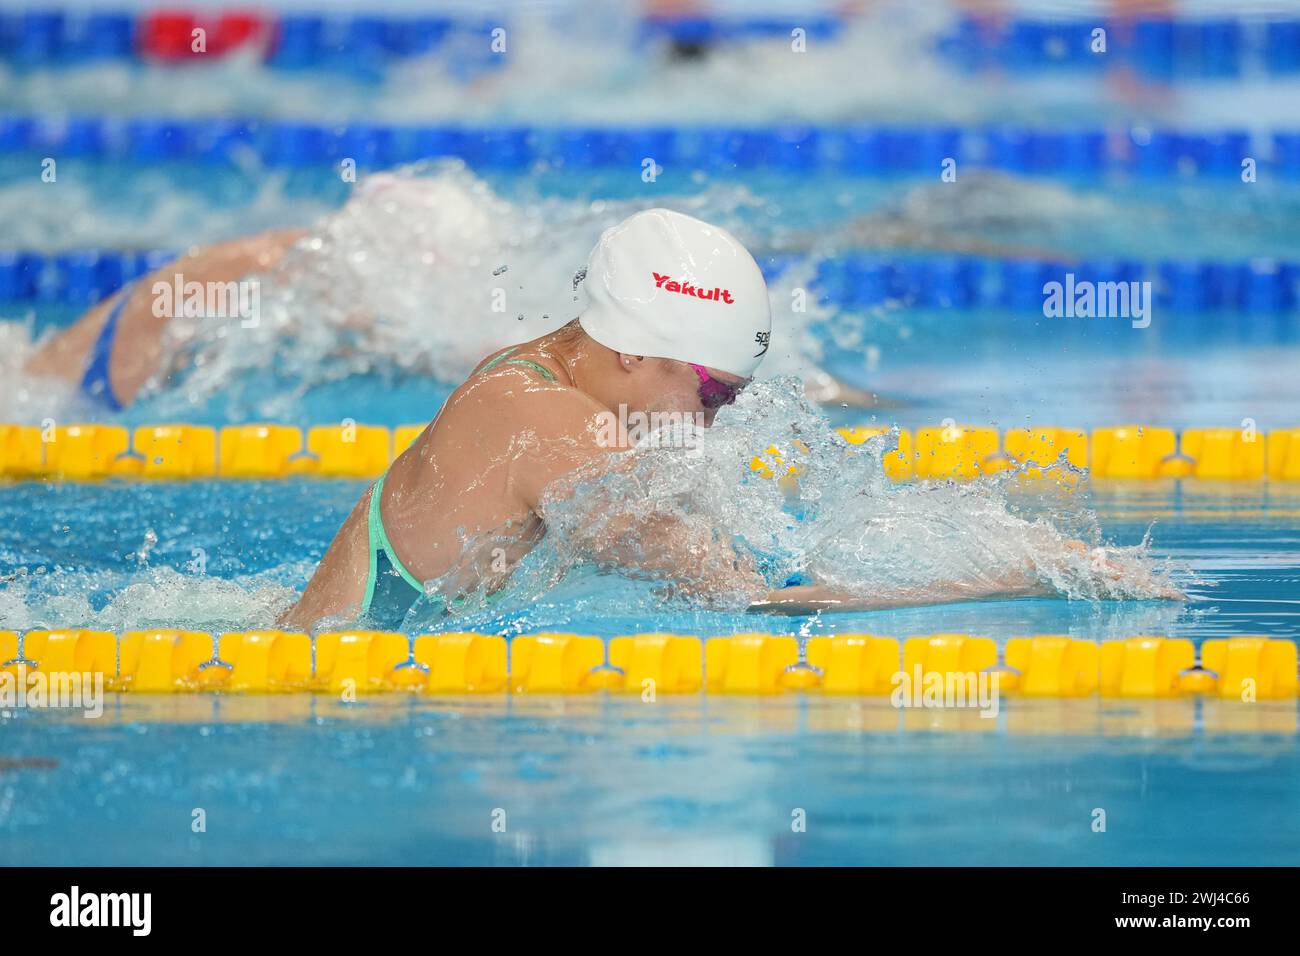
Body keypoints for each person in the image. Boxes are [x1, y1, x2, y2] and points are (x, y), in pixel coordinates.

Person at [280, 207, 1139, 631]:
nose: (714, 424)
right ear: (632, 354)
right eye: (714, 395)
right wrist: (1013, 576)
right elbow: (757, 602)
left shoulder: (532, 373)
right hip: (336, 696)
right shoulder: (559, 433)